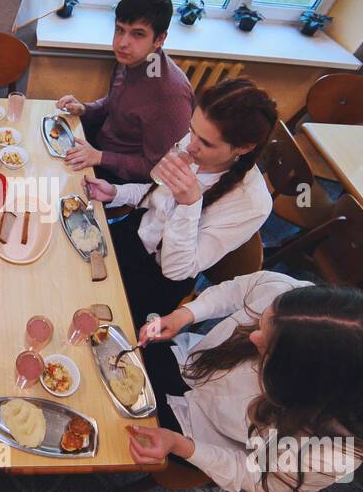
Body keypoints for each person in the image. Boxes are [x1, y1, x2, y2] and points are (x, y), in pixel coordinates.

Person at [126, 272, 363, 492]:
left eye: (267, 349)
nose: (254, 336)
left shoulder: (330, 452)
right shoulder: (299, 307)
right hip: (190, 364)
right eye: (261, 323)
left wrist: (180, 446)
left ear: (302, 383)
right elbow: (239, 290)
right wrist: (186, 315)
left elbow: (256, 478)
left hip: (198, 434)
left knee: (114, 434)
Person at [84, 78, 276, 327]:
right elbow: (156, 194)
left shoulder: (251, 204)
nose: (191, 145)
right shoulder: (193, 141)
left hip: (156, 280)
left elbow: (176, 270)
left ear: (244, 147)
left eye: (206, 142)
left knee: (94, 323)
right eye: (192, 129)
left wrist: (189, 205)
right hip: (132, 236)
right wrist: (116, 193)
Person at [54, 0, 194, 184]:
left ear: (160, 39)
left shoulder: (170, 95)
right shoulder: (132, 59)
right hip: (101, 144)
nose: (122, 43)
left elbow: (161, 170)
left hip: (121, 178)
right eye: (120, 30)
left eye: (137, 34)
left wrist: (100, 157)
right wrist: (86, 108)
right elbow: (116, 103)